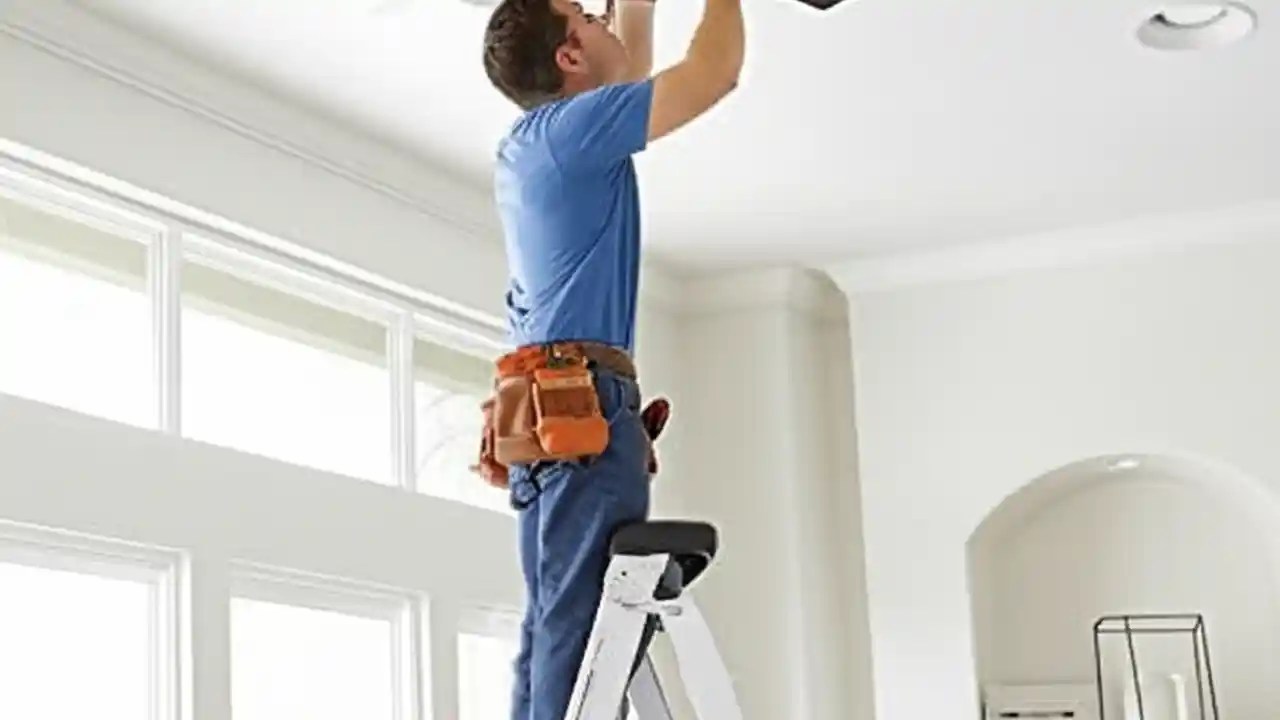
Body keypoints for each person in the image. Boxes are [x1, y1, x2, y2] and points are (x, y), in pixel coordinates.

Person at [481, 0, 744, 717]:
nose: (603, 20)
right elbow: (712, 75)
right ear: (568, 57)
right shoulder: (569, 135)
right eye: (587, 16)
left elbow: (628, 63)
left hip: (555, 412)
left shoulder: (542, 142)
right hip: (580, 408)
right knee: (575, 627)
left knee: (558, 626)